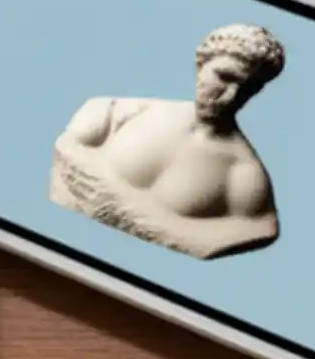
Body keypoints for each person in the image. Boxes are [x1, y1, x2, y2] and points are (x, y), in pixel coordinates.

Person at [48, 23, 286, 259]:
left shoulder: (244, 174)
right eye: (224, 77)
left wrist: (120, 207)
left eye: (248, 89)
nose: (231, 96)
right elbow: (68, 150)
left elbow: (256, 230)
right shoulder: (116, 113)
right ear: (201, 65)